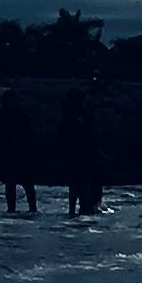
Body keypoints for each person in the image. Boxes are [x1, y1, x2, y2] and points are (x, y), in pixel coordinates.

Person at [56, 84, 104, 217]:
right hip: (80, 155)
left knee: (78, 185)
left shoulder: (73, 115)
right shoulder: (77, 116)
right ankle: (84, 210)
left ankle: (78, 210)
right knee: (83, 185)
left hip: (79, 155)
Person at [0, 90, 39, 215]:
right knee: (10, 183)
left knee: (27, 182)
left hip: (21, 152)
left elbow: (28, 134)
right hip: (8, 153)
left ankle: (32, 207)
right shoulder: (2, 115)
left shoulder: (20, 115)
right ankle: (11, 208)